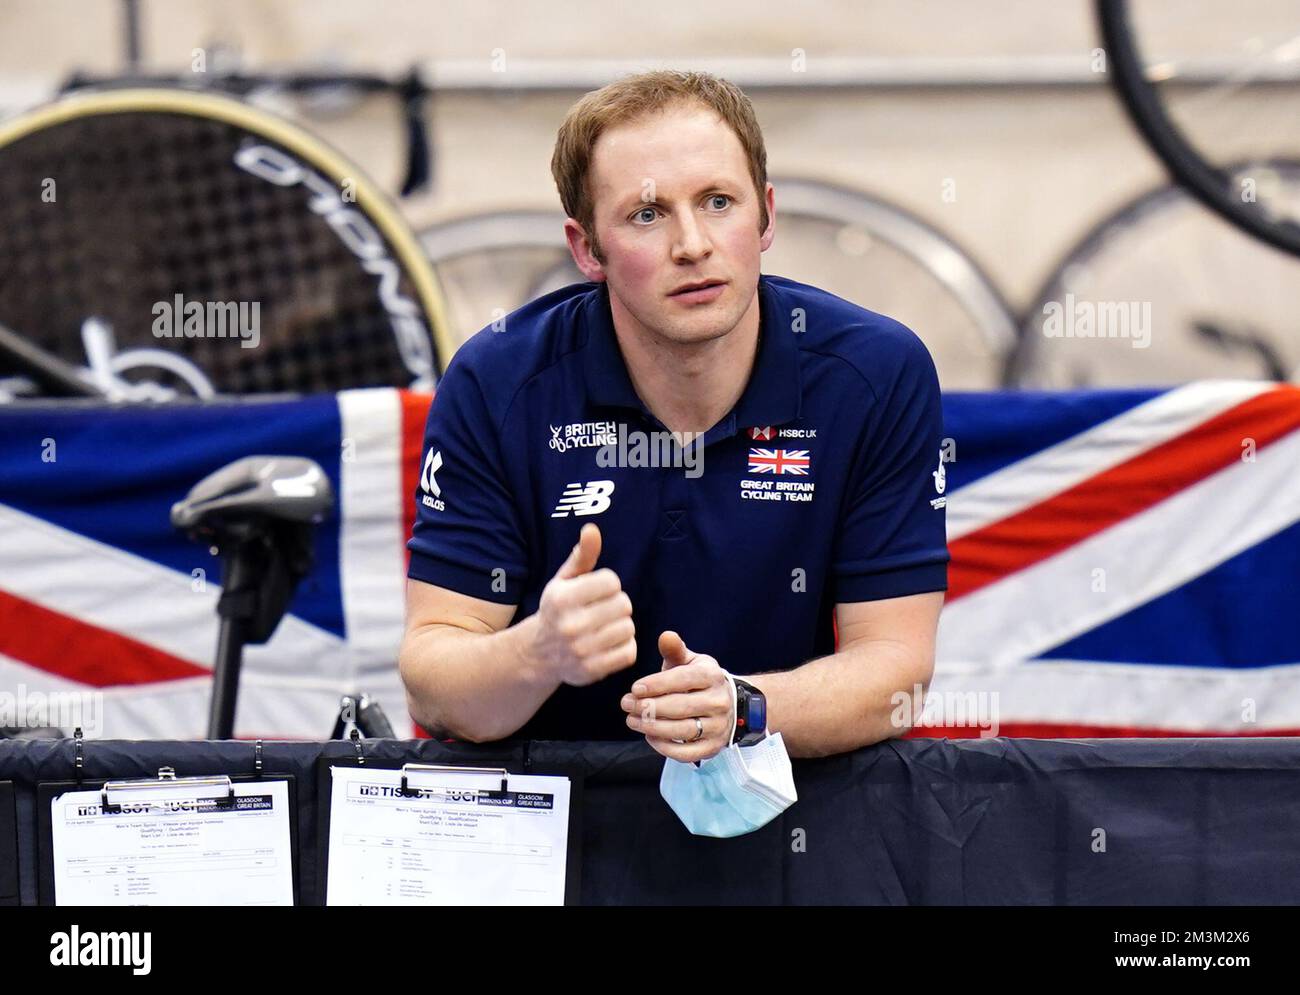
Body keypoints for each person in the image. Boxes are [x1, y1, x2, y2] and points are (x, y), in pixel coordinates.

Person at [400, 70, 948, 762]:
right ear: (586, 248)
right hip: (553, 819)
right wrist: (537, 651)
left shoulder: (875, 373)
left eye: (719, 201)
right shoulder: (498, 380)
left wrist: (743, 708)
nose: (692, 244)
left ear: (767, 215)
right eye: (647, 215)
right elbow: (434, 686)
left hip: (788, 812)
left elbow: (897, 669)